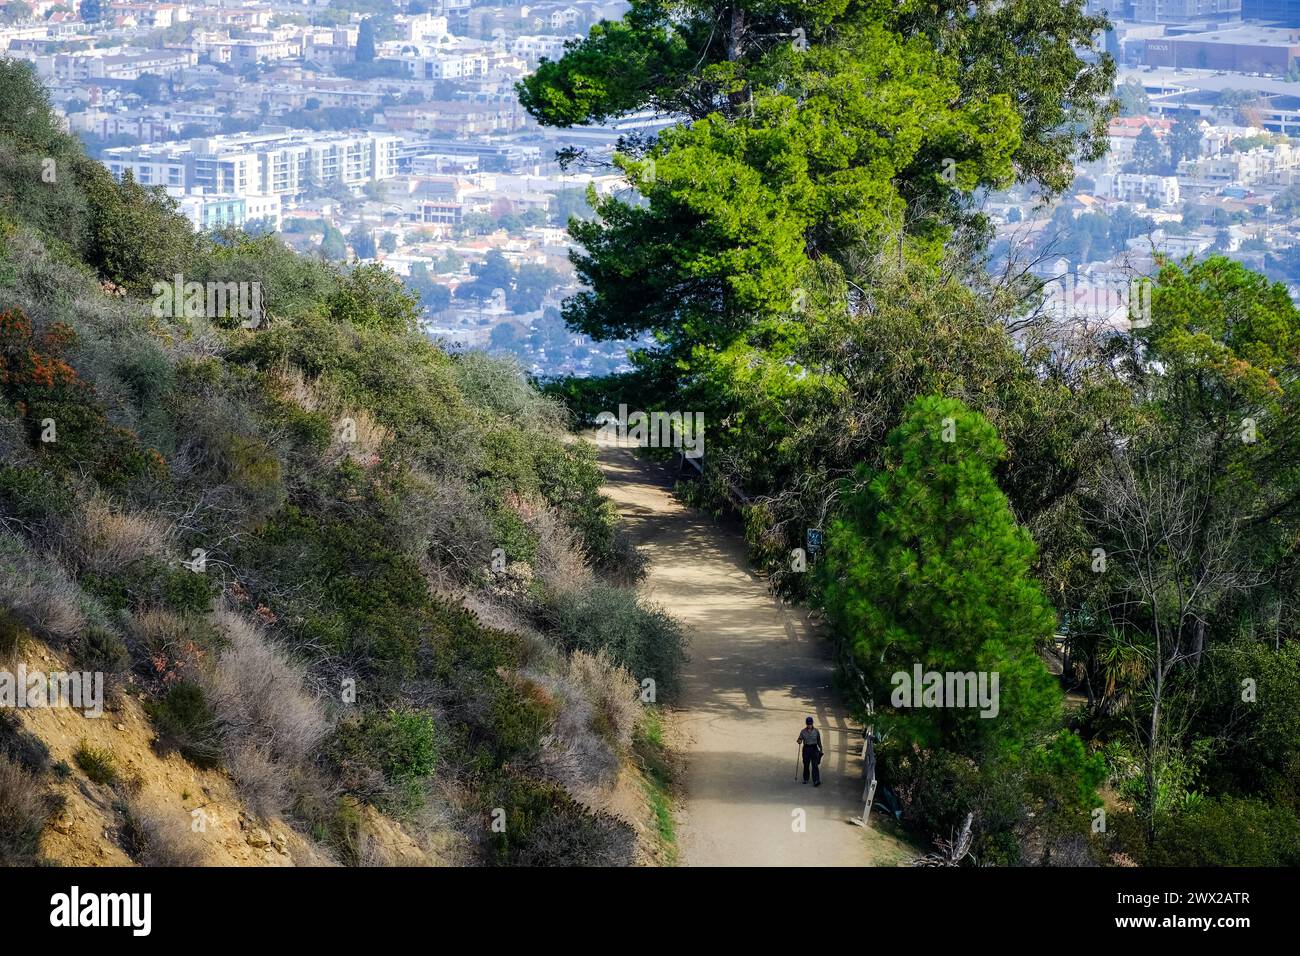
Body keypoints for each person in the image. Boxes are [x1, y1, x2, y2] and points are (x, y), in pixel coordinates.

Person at [797, 716, 823, 786]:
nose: (809, 725)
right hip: (806, 749)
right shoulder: (803, 731)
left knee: (815, 765)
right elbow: (800, 738)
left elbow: (819, 741)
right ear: (806, 724)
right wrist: (799, 741)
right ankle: (806, 778)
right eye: (808, 724)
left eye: (810, 724)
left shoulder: (816, 731)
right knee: (806, 764)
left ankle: (816, 780)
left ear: (812, 723)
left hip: (814, 748)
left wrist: (821, 749)